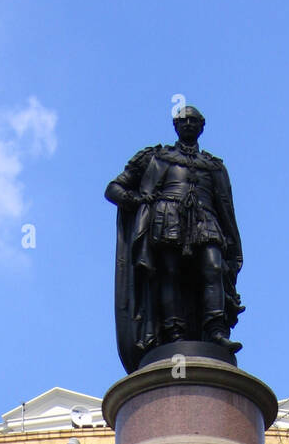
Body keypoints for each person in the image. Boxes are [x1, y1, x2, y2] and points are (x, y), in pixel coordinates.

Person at [105, 106, 244, 371]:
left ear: (202, 126)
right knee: (170, 274)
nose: (189, 124)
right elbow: (114, 188)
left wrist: (234, 246)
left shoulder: (214, 167)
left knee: (213, 268)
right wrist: (137, 201)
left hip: (205, 220)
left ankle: (216, 331)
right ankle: (174, 333)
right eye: (183, 120)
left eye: (194, 121)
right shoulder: (156, 157)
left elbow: (227, 208)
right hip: (166, 218)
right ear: (175, 126)